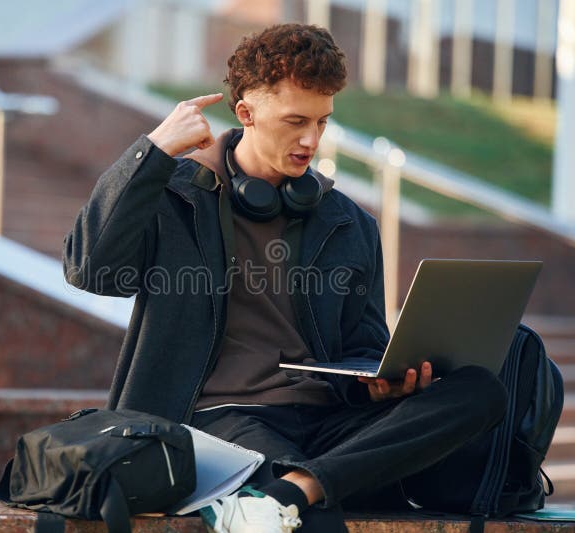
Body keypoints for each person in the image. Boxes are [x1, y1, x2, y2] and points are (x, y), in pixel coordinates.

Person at [63, 23, 507, 533]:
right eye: (296, 121)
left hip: (327, 421)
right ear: (246, 113)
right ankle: (302, 491)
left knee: (480, 391)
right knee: (316, 521)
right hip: (220, 419)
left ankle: (293, 491)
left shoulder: (349, 222)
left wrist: (380, 385)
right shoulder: (175, 196)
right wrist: (154, 151)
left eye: (322, 121)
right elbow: (90, 269)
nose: (311, 140)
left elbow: (363, 344)